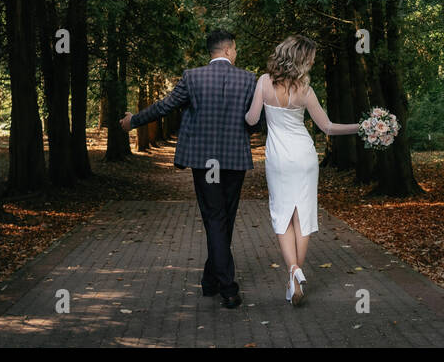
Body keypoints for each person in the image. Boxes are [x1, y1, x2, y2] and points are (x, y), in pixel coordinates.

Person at [121, 29, 257, 308]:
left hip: (206, 162)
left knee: (216, 218)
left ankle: (215, 281)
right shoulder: (249, 79)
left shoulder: (192, 77)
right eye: (236, 49)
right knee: (224, 217)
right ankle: (224, 286)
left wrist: (134, 120)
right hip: (234, 160)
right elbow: (255, 121)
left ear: (213, 51)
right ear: (229, 50)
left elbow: (164, 107)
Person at [245, 35, 360, 306]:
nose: (314, 61)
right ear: (302, 58)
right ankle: (295, 278)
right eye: (311, 57)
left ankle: (293, 270)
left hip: (279, 159)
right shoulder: (305, 89)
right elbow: (328, 127)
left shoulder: (263, 82)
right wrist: (361, 127)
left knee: (282, 213)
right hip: (305, 156)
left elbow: (251, 119)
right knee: (303, 216)